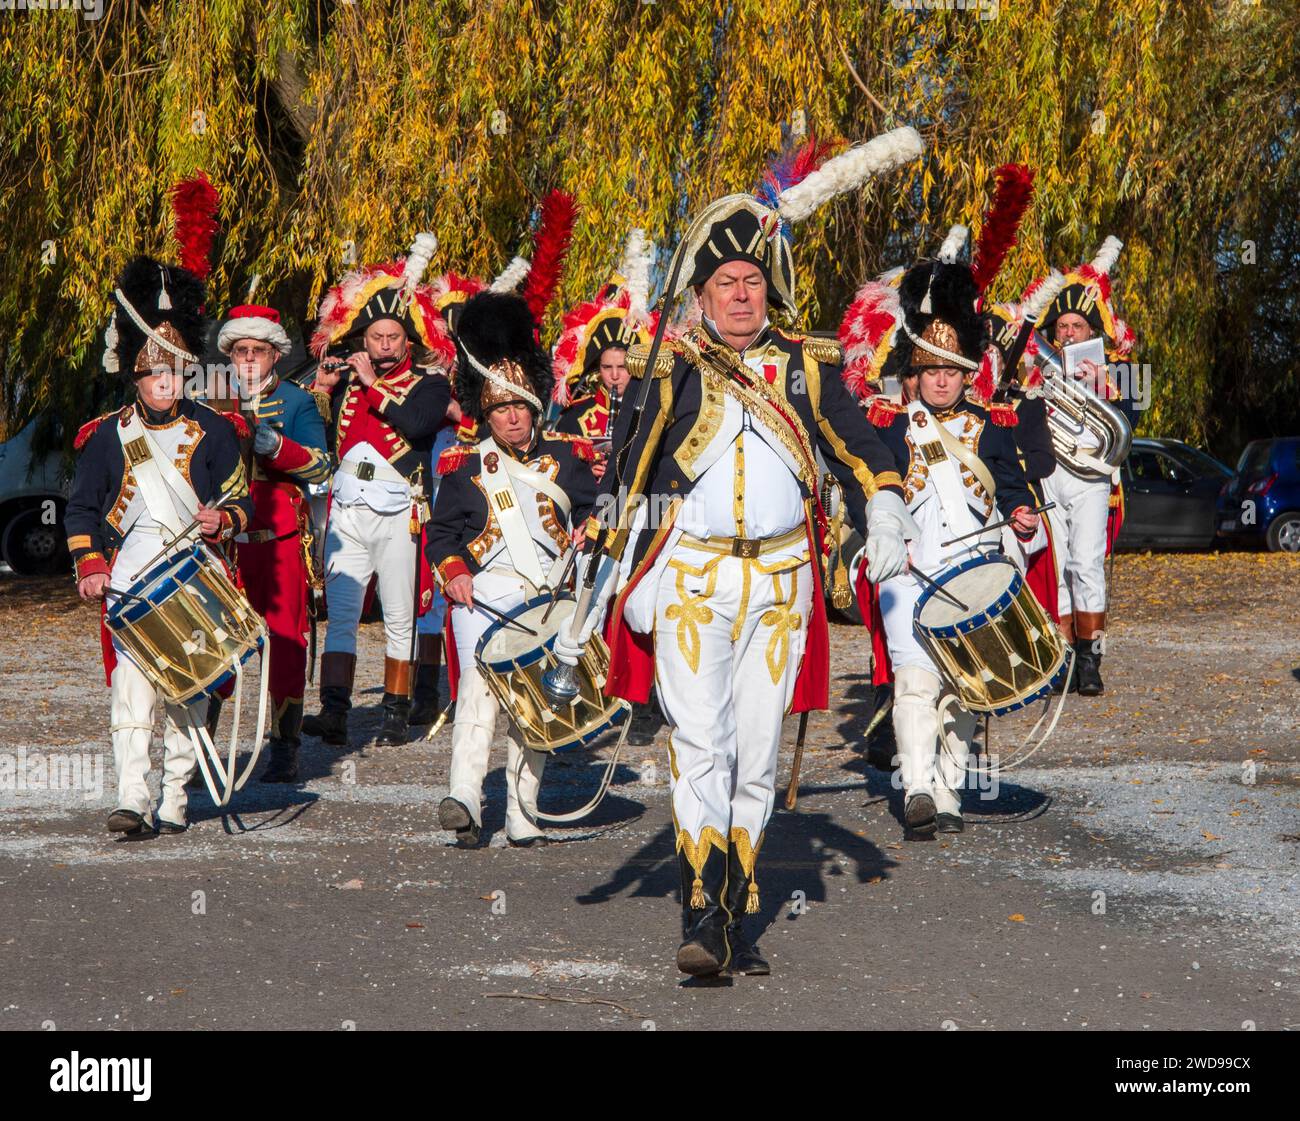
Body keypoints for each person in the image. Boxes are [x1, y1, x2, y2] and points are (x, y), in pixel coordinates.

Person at [555, 183, 914, 978]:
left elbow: (860, 446)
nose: (742, 294)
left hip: (782, 583)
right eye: (726, 283)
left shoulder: (805, 369)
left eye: (752, 280)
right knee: (699, 744)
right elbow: (629, 469)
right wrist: (599, 568)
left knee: (754, 756)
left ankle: (735, 910)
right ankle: (701, 915)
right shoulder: (671, 367)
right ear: (702, 293)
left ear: (769, 287)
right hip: (693, 579)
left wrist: (885, 510)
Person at [66, 256, 253, 836]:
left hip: (196, 565)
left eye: (172, 372)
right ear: (137, 378)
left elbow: (241, 500)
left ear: (186, 373)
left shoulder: (219, 430)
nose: (163, 383)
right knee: (131, 686)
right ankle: (130, 797)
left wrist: (224, 520)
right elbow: (80, 508)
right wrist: (90, 563)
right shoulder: (106, 436)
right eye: (153, 374)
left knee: (188, 688)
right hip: (132, 567)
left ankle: (174, 794)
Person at [863, 258, 1044, 838]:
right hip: (910, 574)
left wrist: (1021, 517)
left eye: (952, 371)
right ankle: (916, 788)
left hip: (974, 571)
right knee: (914, 681)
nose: (941, 381)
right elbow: (870, 493)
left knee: (967, 687)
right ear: (915, 373)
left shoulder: (993, 427)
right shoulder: (890, 428)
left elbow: (1016, 492)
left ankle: (949, 791)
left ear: (968, 374)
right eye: (931, 370)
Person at [426, 291, 598, 847]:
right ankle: (464, 799)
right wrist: (453, 572)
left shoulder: (570, 457)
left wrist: (589, 528)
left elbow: (598, 510)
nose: (512, 416)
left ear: (535, 405)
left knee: (539, 697)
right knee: (478, 686)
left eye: (520, 406)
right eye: (501, 409)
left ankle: (523, 816)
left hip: (549, 593)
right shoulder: (463, 464)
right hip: (484, 593)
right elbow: (442, 533)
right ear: (486, 412)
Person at [301, 242, 454, 746]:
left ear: (406, 341)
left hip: (399, 512)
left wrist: (370, 383)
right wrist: (320, 391)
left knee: (398, 612)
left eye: (392, 337)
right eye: (375, 336)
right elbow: (311, 433)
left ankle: (395, 708)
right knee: (342, 610)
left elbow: (415, 423)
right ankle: (334, 711)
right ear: (362, 338)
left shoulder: (429, 385)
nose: (385, 344)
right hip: (347, 510)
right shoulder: (347, 381)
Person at [216, 304, 329, 781]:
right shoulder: (210, 402)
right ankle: (200, 741)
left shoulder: (300, 403)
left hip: (279, 541)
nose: (248, 359)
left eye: (257, 351)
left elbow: (322, 467)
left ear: (275, 355)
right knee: (217, 641)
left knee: (284, 642)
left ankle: (285, 746)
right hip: (225, 544)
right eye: (240, 350)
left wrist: (278, 449)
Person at [1031, 239, 1137, 695]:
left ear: (1091, 330)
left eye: (1077, 325)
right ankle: (1060, 654)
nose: (1068, 332)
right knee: (1054, 565)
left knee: (1085, 563)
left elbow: (1133, 416)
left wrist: (1107, 388)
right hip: (1051, 472)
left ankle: (1091, 658)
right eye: (1063, 325)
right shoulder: (1039, 364)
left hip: (1092, 475)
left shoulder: (1119, 366)